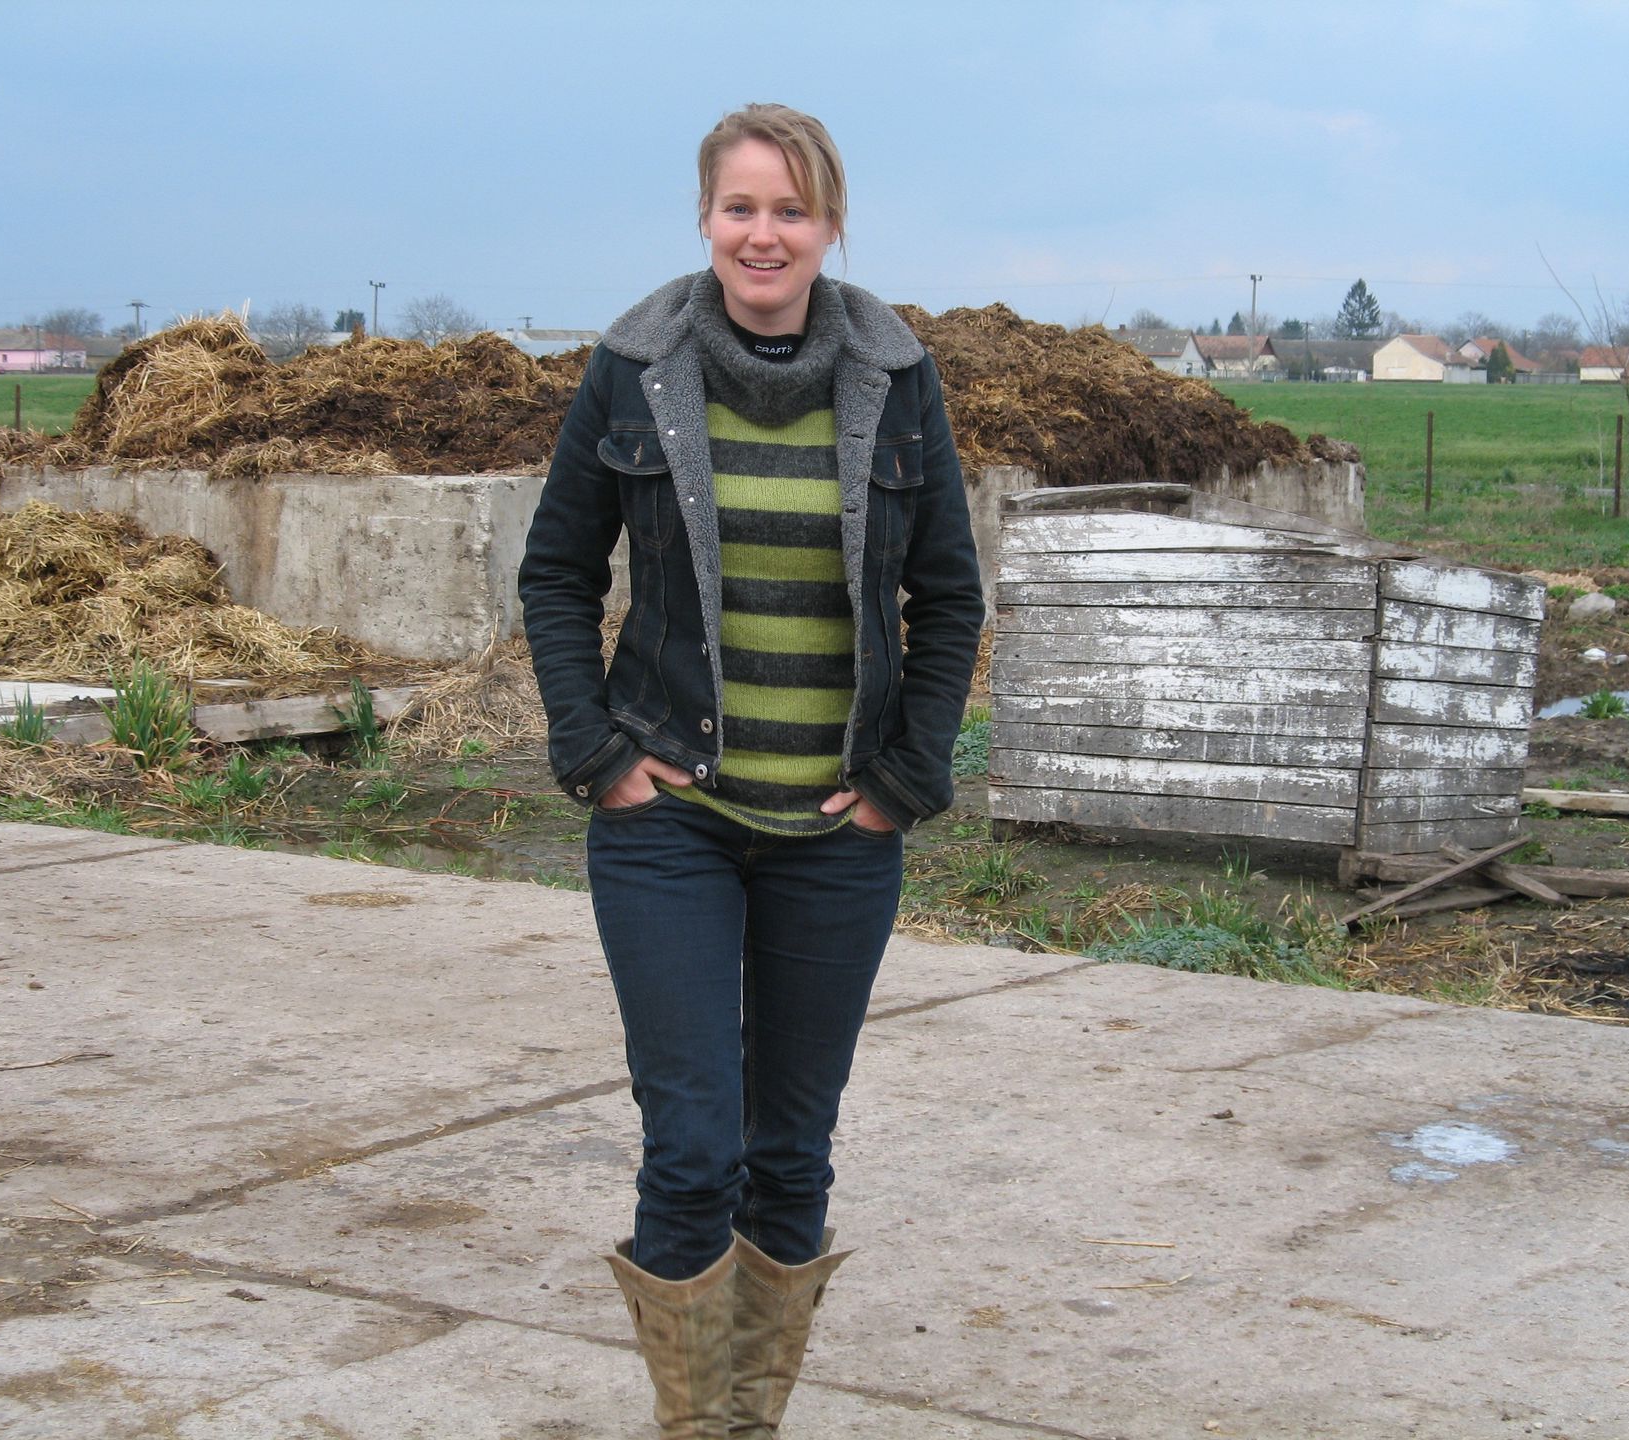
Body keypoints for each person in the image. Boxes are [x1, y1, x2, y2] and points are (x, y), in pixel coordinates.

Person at [517, 103, 983, 1437]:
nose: (763, 234)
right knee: (694, 1155)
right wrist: (594, 751)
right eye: (740, 207)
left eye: (790, 209)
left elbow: (948, 598)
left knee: (788, 1161)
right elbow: (557, 571)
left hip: (838, 834)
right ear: (704, 218)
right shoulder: (631, 368)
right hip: (670, 818)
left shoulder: (897, 376)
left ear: (831, 223)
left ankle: (746, 1419)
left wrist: (906, 779)